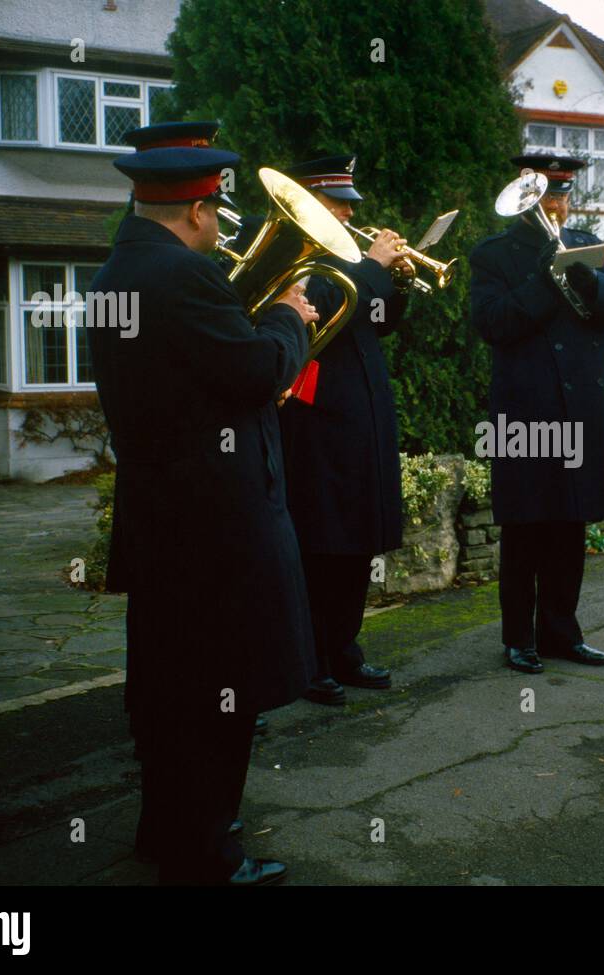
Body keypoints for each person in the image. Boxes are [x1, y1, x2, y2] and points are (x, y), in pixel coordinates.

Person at [89, 137, 319, 884]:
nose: (223, 227)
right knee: (222, 695)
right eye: (216, 212)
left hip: (161, 516)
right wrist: (288, 317)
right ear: (195, 209)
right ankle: (211, 852)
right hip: (216, 521)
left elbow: (195, 377)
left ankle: (166, 830)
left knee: (170, 688)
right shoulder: (186, 275)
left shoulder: (116, 272)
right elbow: (255, 370)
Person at [469, 153, 604, 674]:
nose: (557, 206)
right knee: (525, 528)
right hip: (525, 413)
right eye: (547, 196)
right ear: (526, 198)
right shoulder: (492, 254)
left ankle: (562, 633)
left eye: (563, 195)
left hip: (580, 410)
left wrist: (585, 275)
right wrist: (545, 278)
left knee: (569, 526)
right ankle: (519, 638)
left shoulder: (586, 245)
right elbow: (493, 324)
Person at [274, 153, 410, 706]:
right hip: (317, 421)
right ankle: (309, 661)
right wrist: (374, 269)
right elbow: (324, 304)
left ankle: (343, 648)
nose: (346, 214)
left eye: (349, 204)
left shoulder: (350, 258)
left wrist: (395, 283)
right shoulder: (297, 255)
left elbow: (377, 322)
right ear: (310, 202)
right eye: (335, 203)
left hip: (362, 416)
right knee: (320, 543)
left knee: (355, 540)